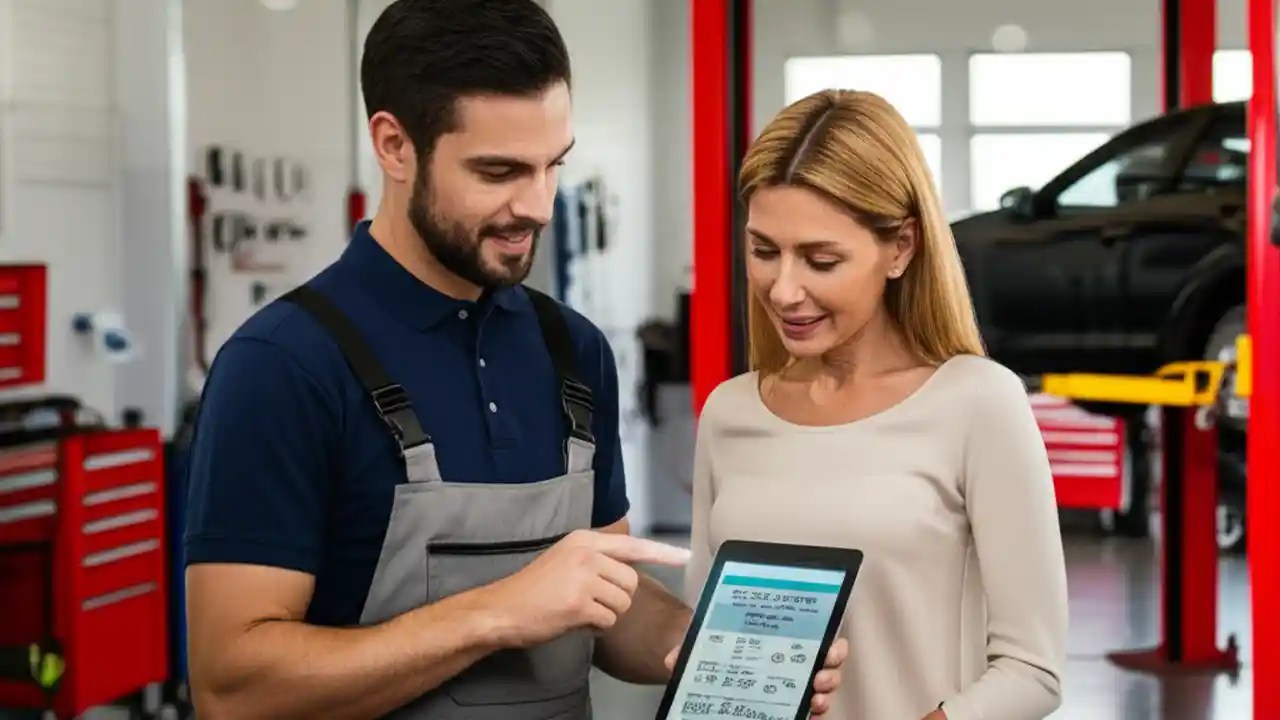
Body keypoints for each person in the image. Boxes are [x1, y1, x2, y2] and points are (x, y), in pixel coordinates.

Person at [180, 2, 848, 718]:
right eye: (498, 171)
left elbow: (605, 600)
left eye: (551, 165)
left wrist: (717, 652)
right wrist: (495, 613)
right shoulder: (283, 366)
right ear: (395, 145)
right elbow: (233, 687)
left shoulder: (574, 351)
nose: (537, 205)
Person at [685, 89, 1069, 720]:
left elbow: (1033, 670)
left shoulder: (977, 402)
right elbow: (713, 658)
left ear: (901, 248)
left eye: (821, 259)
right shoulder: (730, 414)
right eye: (763, 251)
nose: (783, 290)